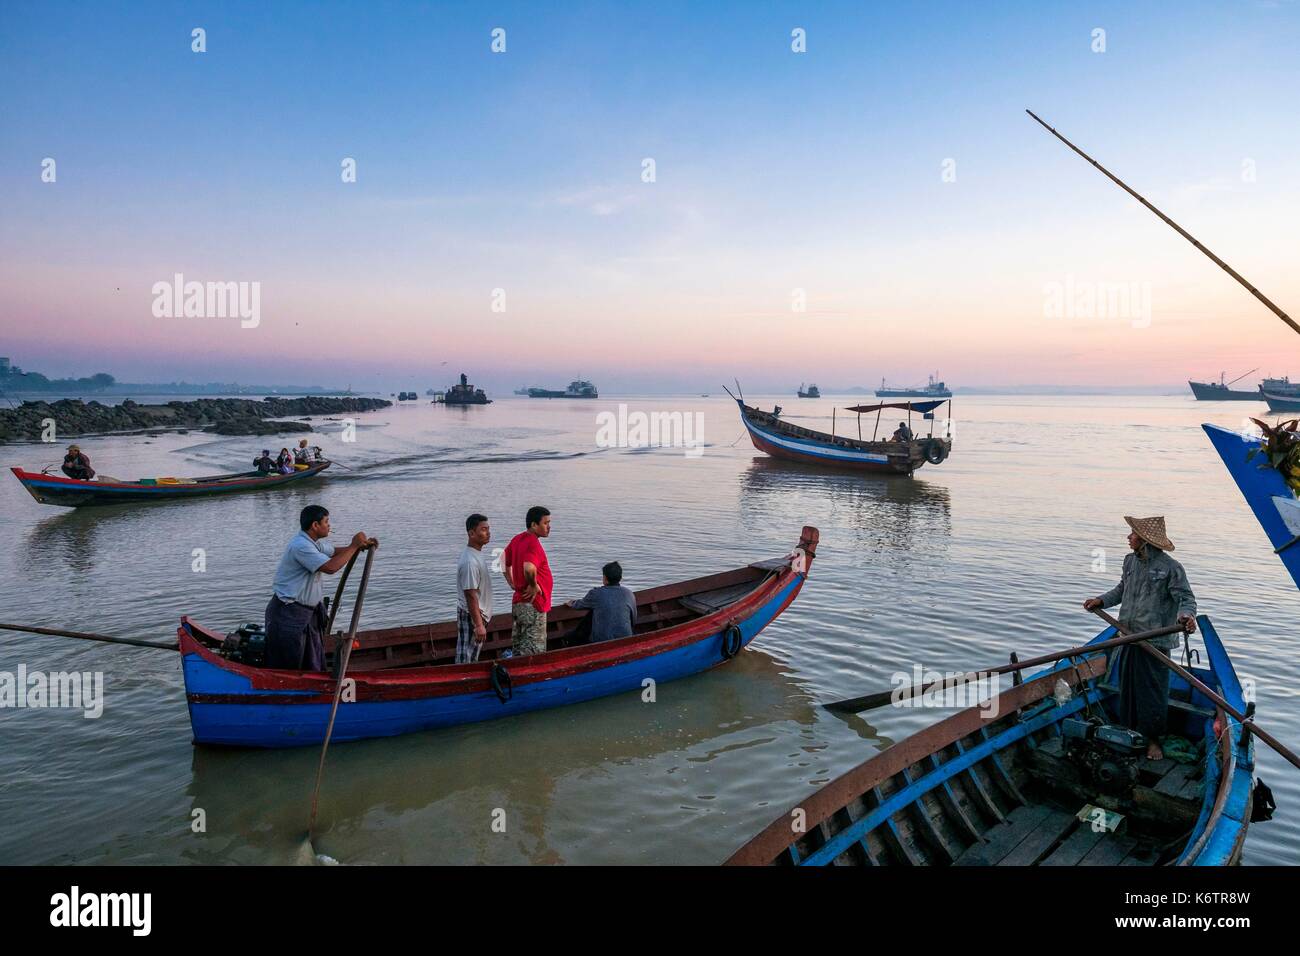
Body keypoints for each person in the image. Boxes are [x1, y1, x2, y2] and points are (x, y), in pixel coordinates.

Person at [1083, 516, 1197, 761]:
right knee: (1128, 690)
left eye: (1132, 534)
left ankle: (1153, 740)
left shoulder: (1171, 568)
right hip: (1128, 637)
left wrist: (1186, 617)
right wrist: (1101, 600)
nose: (1128, 537)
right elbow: (1121, 590)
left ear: (1144, 541)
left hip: (1154, 641)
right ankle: (1129, 733)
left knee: (1152, 694)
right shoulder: (1130, 562)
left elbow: (1186, 599)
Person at [265, 505, 376, 670]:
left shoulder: (313, 544)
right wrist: (354, 546)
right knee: (290, 665)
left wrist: (360, 546)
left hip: (305, 613)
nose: (329, 526)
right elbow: (330, 567)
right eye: (326, 522)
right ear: (315, 525)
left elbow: (334, 552)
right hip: (289, 614)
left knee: (309, 661)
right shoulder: (301, 546)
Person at [502, 506, 553, 656]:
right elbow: (529, 568)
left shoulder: (518, 539)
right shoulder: (533, 544)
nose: (549, 527)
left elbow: (502, 560)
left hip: (519, 603)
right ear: (533, 525)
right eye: (545, 523)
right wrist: (533, 585)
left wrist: (511, 582)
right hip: (533, 605)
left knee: (519, 648)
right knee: (533, 652)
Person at [567, 561, 637, 643]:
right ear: (621, 578)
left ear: (605, 578)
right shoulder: (629, 593)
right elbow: (633, 620)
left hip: (601, 641)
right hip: (626, 638)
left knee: (590, 615)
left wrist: (571, 603)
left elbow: (579, 605)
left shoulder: (596, 593)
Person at [456, 513, 494, 663]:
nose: (488, 532)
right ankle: (463, 682)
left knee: (471, 654)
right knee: (467, 657)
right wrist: (478, 625)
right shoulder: (470, 561)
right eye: (483, 529)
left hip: (478, 614)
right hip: (472, 615)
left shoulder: (476, 553)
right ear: (471, 533)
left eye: (488, 529)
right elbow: (470, 594)